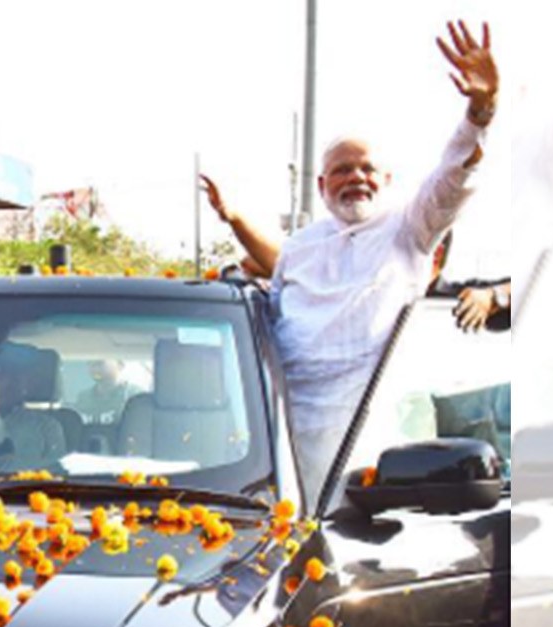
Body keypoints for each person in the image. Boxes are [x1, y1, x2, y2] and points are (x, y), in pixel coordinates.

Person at [212, 20, 499, 489]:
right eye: (342, 170)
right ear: (322, 186)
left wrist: (480, 112)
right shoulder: (303, 247)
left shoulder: (409, 228)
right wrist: (236, 218)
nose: (356, 177)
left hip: (370, 450)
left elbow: (452, 181)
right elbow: (274, 279)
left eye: (368, 169)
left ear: (387, 181)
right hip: (276, 445)